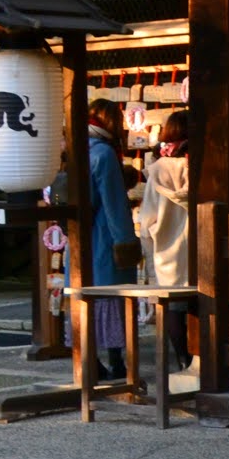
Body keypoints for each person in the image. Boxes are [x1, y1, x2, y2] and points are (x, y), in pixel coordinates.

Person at [85, 98, 139, 381]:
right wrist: (126, 242)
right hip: (104, 237)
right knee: (111, 297)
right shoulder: (105, 153)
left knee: (87, 301)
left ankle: (89, 361)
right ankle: (117, 362)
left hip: (81, 238)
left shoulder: (77, 148)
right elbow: (113, 203)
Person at [139, 111, 194, 372]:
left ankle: (182, 358)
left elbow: (147, 215)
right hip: (195, 242)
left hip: (166, 245)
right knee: (202, 302)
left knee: (173, 306)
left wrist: (147, 239)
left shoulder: (158, 169)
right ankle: (201, 360)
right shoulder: (197, 165)